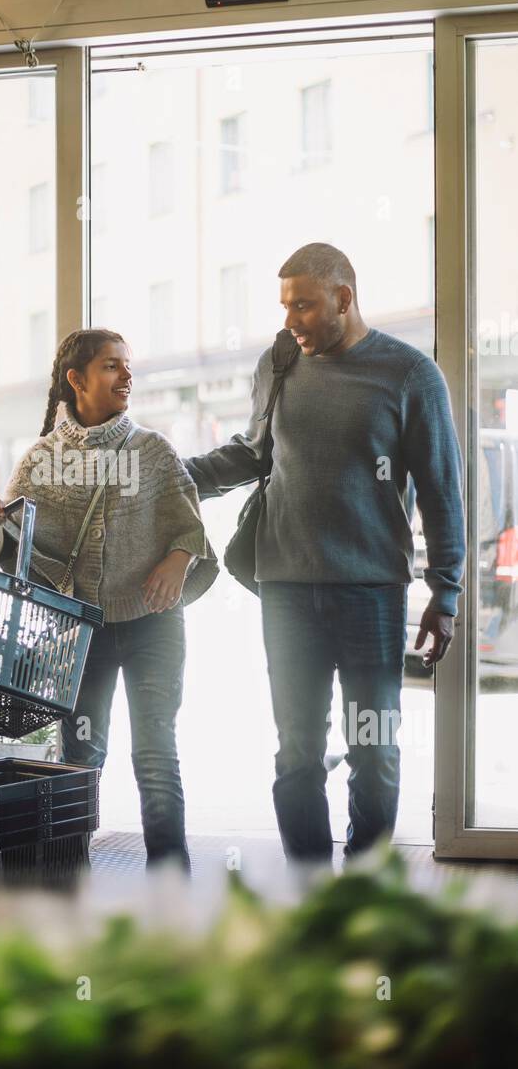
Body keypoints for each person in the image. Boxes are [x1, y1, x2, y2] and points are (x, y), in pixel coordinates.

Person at [185, 243, 466, 865]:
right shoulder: (280, 361)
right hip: (284, 588)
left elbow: (443, 491)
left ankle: (363, 891)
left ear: (344, 298)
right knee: (297, 753)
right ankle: (309, 892)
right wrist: (173, 476)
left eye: (305, 306)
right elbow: (252, 453)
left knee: (374, 750)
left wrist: (445, 594)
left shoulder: (408, 374)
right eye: (285, 305)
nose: (291, 320)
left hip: (371, 591)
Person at [0, 328, 218, 870]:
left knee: (155, 753)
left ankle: (170, 879)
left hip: (154, 625)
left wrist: (176, 561)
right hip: (80, 632)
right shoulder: (41, 460)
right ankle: (67, 871)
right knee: (81, 755)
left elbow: (191, 531)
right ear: (76, 380)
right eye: (111, 366)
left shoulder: (151, 451)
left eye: (128, 366)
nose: (126, 376)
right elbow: (0, 552)